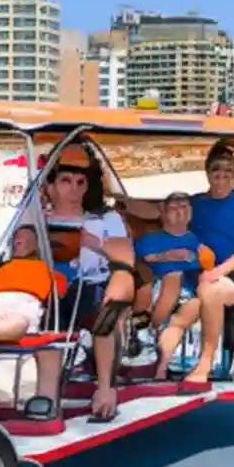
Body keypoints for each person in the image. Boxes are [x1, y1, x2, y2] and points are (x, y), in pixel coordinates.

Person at [116, 143, 234, 388]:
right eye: (216, 169)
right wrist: (121, 203)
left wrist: (218, 271)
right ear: (207, 172)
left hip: (228, 280)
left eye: (228, 169)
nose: (222, 174)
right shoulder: (195, 203)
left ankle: (204, 364)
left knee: (209, 288)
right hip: (186, 278)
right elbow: (157, 209)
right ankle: (152, 362)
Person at [29, 144, 143, 422]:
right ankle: (47, 395)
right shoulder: (37, 220)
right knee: (49, 307)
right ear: (51, 186)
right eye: (65, 181)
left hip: (95, 286)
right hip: (51, 290)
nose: (74, 189)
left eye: (81, 183)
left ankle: (105, 389)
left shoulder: (104, 218)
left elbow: (125, 257)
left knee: (97, 306)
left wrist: (91, 243)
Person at [133, 192, 217, 384]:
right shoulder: (149, 239)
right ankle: (151, 326)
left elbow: (208, 265)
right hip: (155, 288)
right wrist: (166, 256)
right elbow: (138, 263)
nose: (180, 213)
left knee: (194, 305)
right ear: (163, 213)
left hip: (187, 295)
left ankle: (161, 368)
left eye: (184, 208)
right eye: (174, 208)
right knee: (174, 276)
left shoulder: (196, 241)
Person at [0, 225, 65, 353]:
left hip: (24, 307)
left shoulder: (48, 272)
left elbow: (58, 299)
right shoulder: (0, 268)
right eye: (16, 239)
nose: (18, 242)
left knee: (19, 324)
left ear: (35, 245)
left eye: (24, 239)